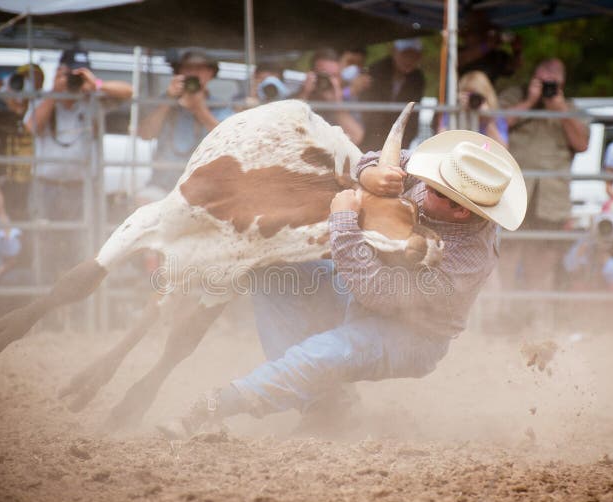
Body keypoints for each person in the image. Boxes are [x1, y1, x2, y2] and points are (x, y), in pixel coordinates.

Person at [160, 130, 527, 439]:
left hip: (412, 334)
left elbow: (382, 293)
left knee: (327, 352)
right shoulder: (440, 177)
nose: (424, 185)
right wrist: (371, 176)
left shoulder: (467, 259)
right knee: (270, 271)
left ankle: (219, 405)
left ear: (461, 210)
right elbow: (373, 160)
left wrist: (344, 221)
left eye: (434, 189)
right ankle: (324, 405)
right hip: (356, 292)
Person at [27, 49, 132, 279]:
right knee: (44, 249)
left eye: (78, 74)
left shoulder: (92, 97)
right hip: (46, 188)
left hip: (81, 189)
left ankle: (81, 309)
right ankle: (45, 307)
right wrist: (55, 92)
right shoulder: (45, 98)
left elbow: (128, 91)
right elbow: (31, 128)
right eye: (69, 73)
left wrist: (97, 85)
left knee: (82, 248)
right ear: (58, 73)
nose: (73, 80)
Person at [499, 58, 589, 301]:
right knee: (506, 254)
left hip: (551, 198)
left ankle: (538, 317)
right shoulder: (514, 97)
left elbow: (581, 143)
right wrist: (529, 101)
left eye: (552, 83)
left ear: (562, 83)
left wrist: (560, 110)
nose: (547, 87)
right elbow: (497, 123)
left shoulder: (570, 108)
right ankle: (503, 315)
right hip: (514, 193)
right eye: (542, 81)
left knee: (544, 259)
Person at [138, 51, 234, 200]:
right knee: (145, 199)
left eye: (199, 69)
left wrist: (199, 110)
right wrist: (168, 101)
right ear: (179, 73)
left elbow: (228, 141)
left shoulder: (221, 106)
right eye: (188, 68)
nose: (193, 73)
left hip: (205, 188)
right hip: (163, 185)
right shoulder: (164, 102)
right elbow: (145, 134)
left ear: (210, 73)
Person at [0, 64, 44, 220]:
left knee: (30, 227)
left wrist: (13, 103)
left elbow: (27, 120)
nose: (29, 86)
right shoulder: (3, 115)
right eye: (25, 80)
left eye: (35, 82)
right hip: (4, 182)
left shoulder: (42, 115)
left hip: (32, 184)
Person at [359, 39, 425, 151]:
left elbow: (413, 116)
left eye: (413, 55)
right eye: (405, 54)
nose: (409, 60)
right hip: (371, 136)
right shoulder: (376, 71)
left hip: (401, 139)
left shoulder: (418, 79)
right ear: (394, 51)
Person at [296, 48, 365, 146]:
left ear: (340, 77)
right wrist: (304, 95)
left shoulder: (347, 100)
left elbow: (356, 137)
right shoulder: (297, 97)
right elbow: (287, 131)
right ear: (311, 74)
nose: (328, 81)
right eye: (324, 76)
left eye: (334, 76)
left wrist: (337, 105)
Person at [436, 70, 508, 147]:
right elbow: (440, 142)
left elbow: (503, 149)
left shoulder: (495, 116)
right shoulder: (453, 113)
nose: (471, 100)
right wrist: (458, 110)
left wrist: (488, 120)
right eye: (468, 95)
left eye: (475, 96)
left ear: (485, 95)